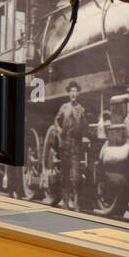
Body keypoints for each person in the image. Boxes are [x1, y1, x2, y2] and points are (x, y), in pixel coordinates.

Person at [53, 81, 87, 210]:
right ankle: (65, 204)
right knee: (65, 175)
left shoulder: (81, 110)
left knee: (76, 177)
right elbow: (56, 120)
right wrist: (59, 130)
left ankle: (77, 203)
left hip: (76, 146)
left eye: (75, 91)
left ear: (78, 93)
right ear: (69, 93)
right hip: (64, 145)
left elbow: (85, 127)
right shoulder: (64, 107)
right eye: (71, 91)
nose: (73, 93)